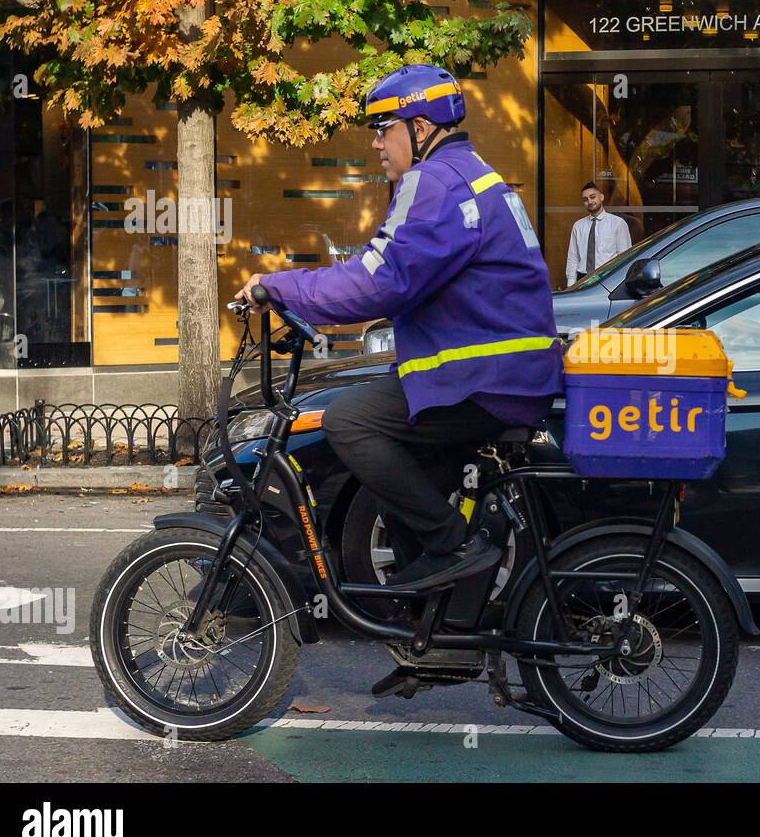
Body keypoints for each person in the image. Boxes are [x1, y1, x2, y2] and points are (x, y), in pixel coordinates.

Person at [236, 64, 562, 591]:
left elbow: (378, 280)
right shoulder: (474, 173)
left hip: (483, 382)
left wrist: (279, 288)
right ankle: (436, 639)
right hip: (506, 376)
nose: (376, 144)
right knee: (407, 496)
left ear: (422, 127)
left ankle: (453, 546)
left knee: (348, 422)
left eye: (384, 129)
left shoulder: (433, 182)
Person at [565, 181, 630, 286]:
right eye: (585, 199)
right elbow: (573, 257)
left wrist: (620, 283)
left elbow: (624, 256)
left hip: (608, 278)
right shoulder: (578, 226)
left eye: (592, 197)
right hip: (583, 279)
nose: (589, 201)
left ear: (601, 197)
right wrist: (571, 284)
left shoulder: (618, 223)